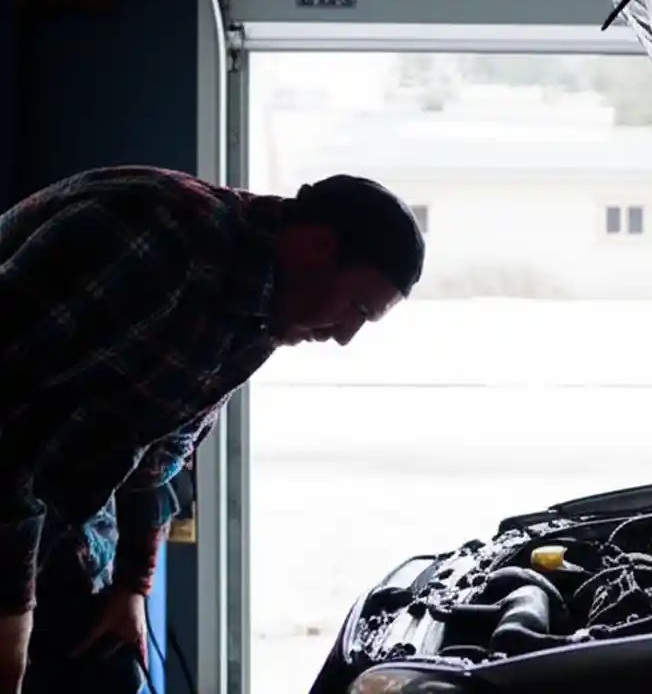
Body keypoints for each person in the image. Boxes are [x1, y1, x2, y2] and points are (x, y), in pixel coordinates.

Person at [0, 165, 426, 693]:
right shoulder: (156, 236)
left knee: (108, 673)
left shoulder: (265, 313)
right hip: (11, 506)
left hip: (58, 525)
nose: (344, 337)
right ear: (316, 247)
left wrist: (132, 584)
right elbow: (8, 420)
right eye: (356, 308)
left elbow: (159, 451)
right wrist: (12, 608)